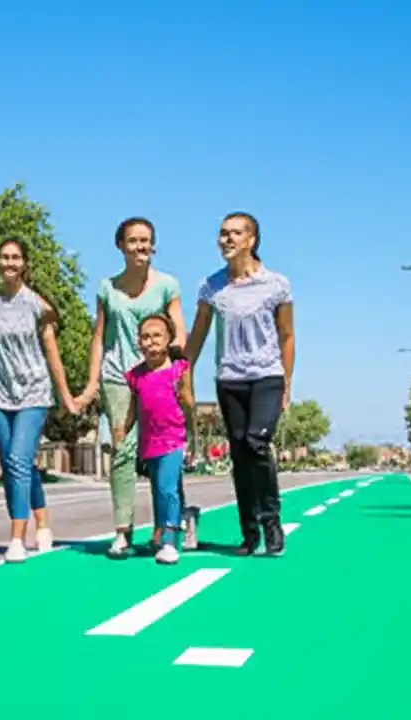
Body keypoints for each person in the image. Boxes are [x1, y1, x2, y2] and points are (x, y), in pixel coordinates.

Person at [74, 217, 185, 558]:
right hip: (117, 377)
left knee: (160, 453)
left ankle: (164, 529)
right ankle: (123, 531)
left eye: (146, 240)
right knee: (123, 453)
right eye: (133, 240)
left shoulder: (167, 285)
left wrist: (171, 368)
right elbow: (98, 337)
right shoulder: (108, 287)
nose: (141, 246)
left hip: (156, 376)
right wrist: (91, 384)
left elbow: (179, 333)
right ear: (120, 245)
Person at [185, 211, 294, 556]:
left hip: (267, 376)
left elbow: (287, 335)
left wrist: (286, 383)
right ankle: (249, 532)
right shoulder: (211, 286)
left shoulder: (276, 285)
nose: (227, 239)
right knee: (240, 455)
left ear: (251, 240)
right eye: (222, 233)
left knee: (256, 444)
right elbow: (198, 335)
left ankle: (271, 520)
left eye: (235, 233)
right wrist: (181, 376)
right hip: (230, 379)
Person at [0, 238, 79, 563]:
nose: (9, 263)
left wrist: (66, 398)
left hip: (34, 392)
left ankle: (17, 537)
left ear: (24, 264)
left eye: (16, 258)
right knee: (11, 466)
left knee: (19, 461)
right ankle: (43, 516)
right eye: (4, 257)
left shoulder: (38, 305)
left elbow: (52, 353)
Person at [122, 313, 195, 564]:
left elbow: (188, 403)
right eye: (145, 337)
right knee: (159, 491)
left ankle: (170, 541)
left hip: (174, 438)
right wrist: (122, 430)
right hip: (149, 442)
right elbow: (134, 409)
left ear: (168, 340)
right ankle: (182, 520)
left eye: (157, 336)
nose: (151, 341)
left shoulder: (178, 370)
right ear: (139, 343)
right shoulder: (135, 376)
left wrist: (193, 439)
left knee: (167, 489)